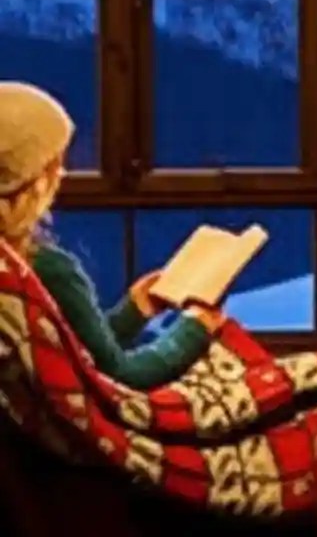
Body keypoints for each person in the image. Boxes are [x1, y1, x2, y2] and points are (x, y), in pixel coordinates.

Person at [0, 81, 223, 389]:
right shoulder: (46, 269)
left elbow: (75, 353)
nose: (62, 174)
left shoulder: (13, 266)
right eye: (55, 164)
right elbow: (118, 376)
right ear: (35, 179)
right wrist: (193, 331)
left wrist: (133, 312)